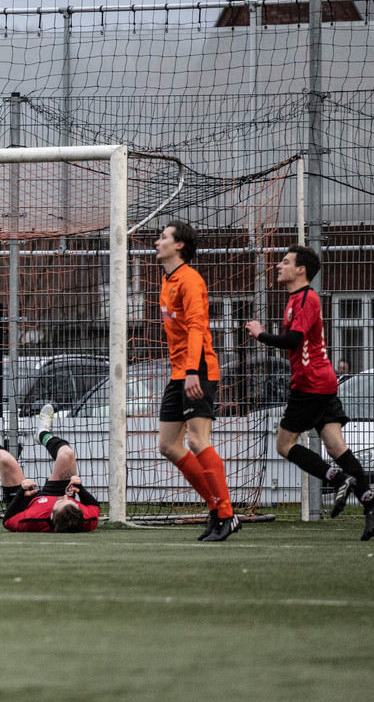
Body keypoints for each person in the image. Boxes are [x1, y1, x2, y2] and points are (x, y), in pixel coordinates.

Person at [245, 245, 374, 539]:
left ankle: (338, 478)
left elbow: (293, 340)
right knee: (335, 446)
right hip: (321, 381)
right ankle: (370, 505)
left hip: (311, 385)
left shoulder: (307, 298)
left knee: (284, 444)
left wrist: (259, 333)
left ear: (300, 270)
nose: (279, 265)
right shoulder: (294, 299)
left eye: (286, 261)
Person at [154, 221, 238, 542]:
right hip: (179, 373)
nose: (157, 241)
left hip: (198, 369)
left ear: (179, 246)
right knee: (168, 446)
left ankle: (226, 514)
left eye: (164, 237)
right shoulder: (167, 280)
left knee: (197, 441)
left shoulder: (190, 280)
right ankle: (216, 507)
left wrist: (192, 372)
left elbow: (197, 329)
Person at [0, 401, 100, 533]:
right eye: (72, 502)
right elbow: (94, 507)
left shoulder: (31, 521)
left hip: (26, 504)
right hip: (56, 491)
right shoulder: (87, 520)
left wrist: (21, 492)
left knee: (6, 460)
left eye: (62, 501)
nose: (65, 497)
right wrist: (80, 489)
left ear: (51, 515)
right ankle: (42, 433)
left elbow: (7, 520)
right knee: (67, 454)